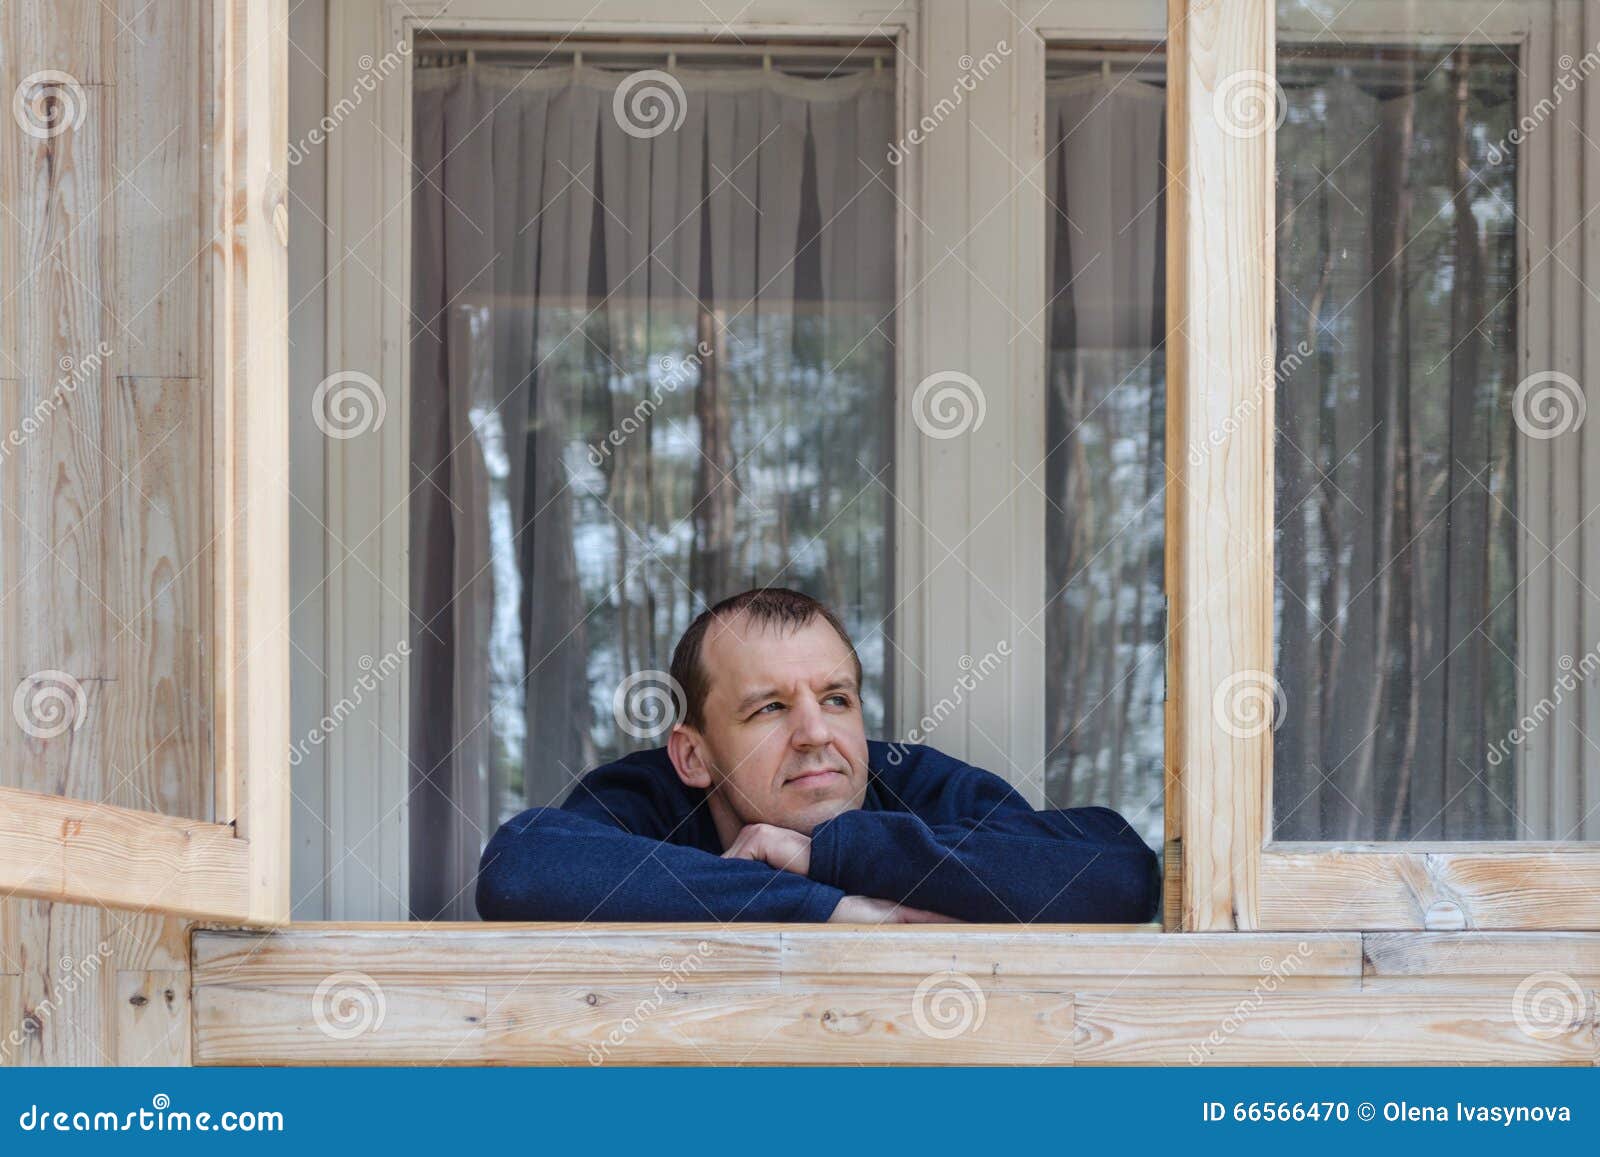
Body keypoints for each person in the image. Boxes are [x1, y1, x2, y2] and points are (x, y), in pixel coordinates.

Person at [475, 588, 1160, 924]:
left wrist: (832, 854)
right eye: (769, 707)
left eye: (836, 698)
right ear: (692, 754)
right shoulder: (649, 797)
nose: (814, 733)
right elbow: (518, 868)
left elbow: (1121, 871)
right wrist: (824, 907)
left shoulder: (909, 780)